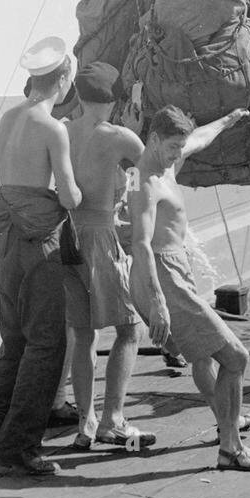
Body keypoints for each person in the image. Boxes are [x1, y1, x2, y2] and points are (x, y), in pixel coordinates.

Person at [128, 105, 250, 472]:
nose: (180, 153)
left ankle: (228, 427)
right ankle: (231, 446)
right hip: (164, 276)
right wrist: (159, 300)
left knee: (203, 357)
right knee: (236, 357)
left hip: (176, 266)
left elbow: (198, 138)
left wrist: (230, 118)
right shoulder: (145, 181)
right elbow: (140, 244)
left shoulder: (165, 165)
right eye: (173, 146)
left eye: (181, 147)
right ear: (154, 138)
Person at [0, 36, 82, 476]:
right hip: (35, 242)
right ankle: (19, 447)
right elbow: (70, 196)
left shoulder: (6, 119)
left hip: (0, 235)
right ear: (60, 79)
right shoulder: (53, 128)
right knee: (47, 343)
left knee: (14, 339)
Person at [61, 62, 158, 450]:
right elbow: (151, 173)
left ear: (81, 97)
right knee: (129, 328)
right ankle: (113, 420)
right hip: (102, 235)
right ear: (115, 99)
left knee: (83, 332)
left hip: (68, 236)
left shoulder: (64, 131)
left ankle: (85, 423)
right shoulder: (120, 138)